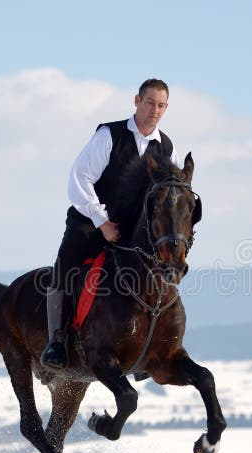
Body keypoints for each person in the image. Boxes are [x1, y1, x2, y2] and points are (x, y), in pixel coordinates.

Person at [41, 78, 180, 369]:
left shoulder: (167, 148)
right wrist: (102, 222)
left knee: (158, 271)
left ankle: (150, 345)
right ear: (137, 101)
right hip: (89, 221)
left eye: (161, 105)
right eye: (150, 102)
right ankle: (56, 341)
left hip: (133, 230)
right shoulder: (109, 135)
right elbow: (79, 179)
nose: (155, 110)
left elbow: (171, 197)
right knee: (65, 266)